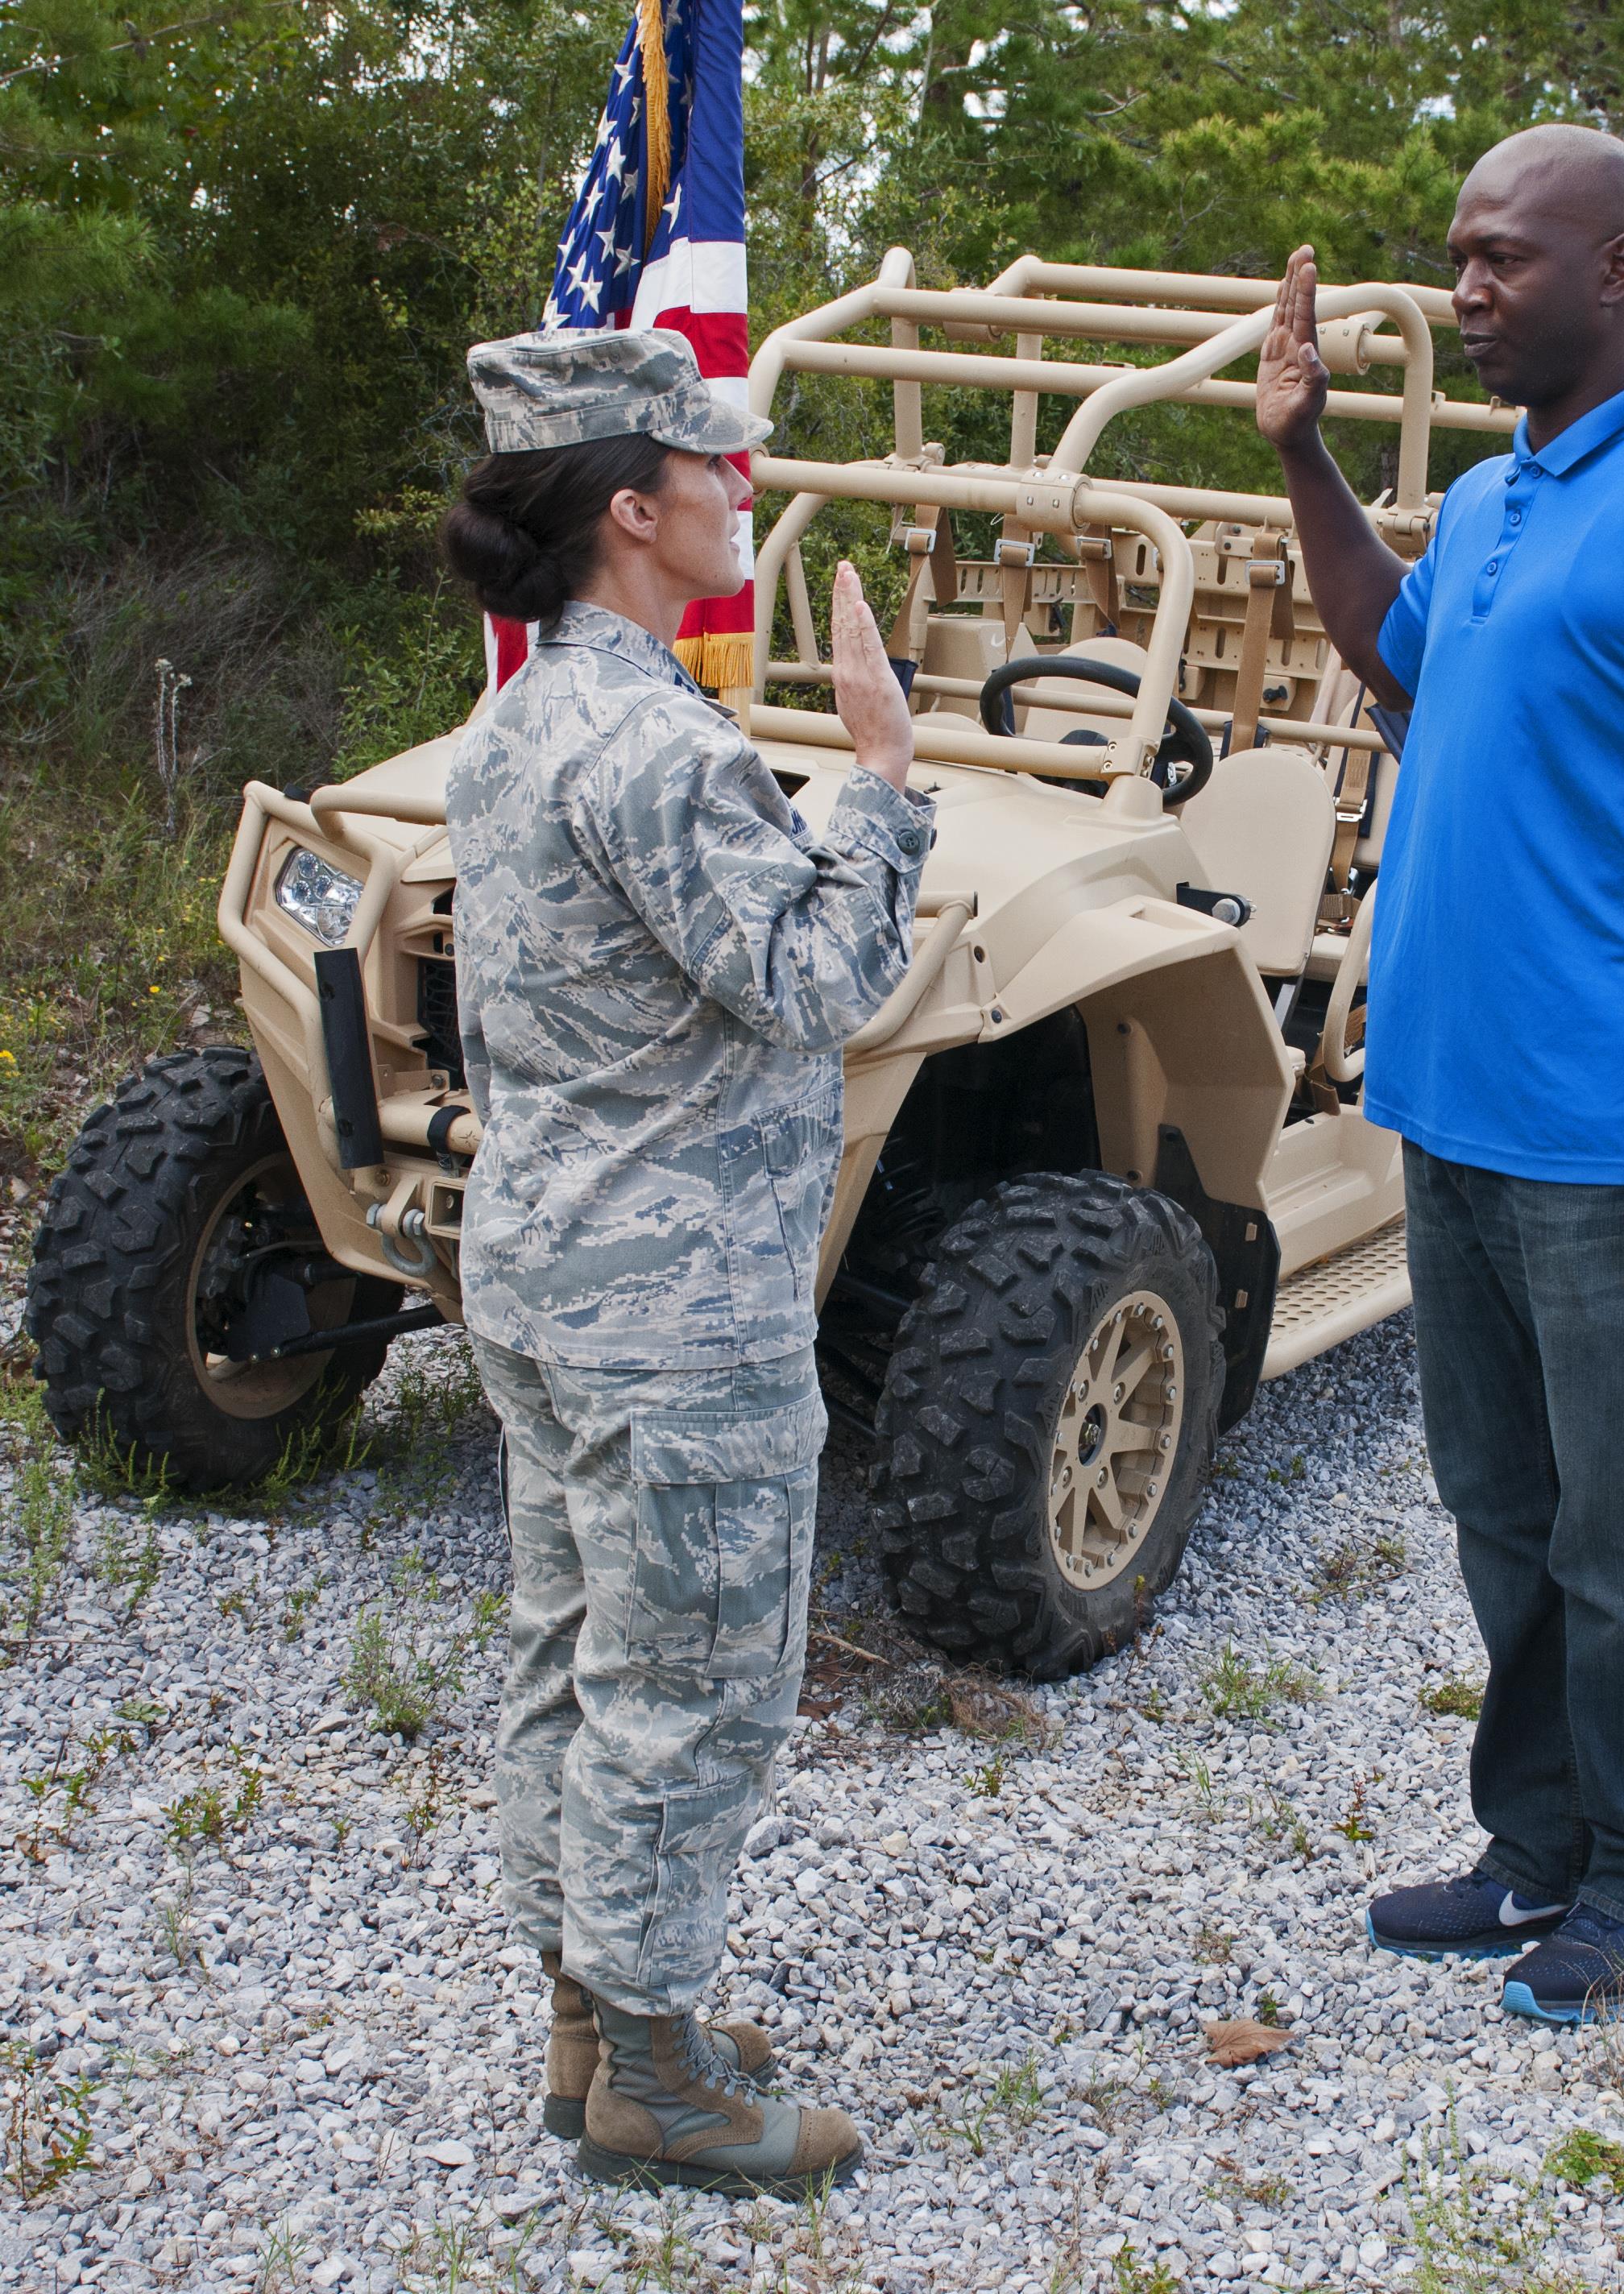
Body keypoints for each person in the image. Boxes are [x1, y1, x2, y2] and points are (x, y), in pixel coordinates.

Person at [1255, 125, 1624, 2023]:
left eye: (1505, 258)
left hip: (1617, 1143)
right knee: (1504, 1506)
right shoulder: (1507, 501)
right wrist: (1301, 454)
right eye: (1458, 255)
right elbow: (1398, 662)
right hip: (1461, 1115)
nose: (1468, 289)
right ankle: (1544, 1845)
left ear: (1619, 269)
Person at [441, 325, 931, 2188]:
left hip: (553, 1277)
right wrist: (878, 777)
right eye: (716, 470)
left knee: (577, 1648)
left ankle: (594, 2022)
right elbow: (815, 982)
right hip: (678, 1307)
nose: (745, 494)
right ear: (637, 512)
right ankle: (654, 2074)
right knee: (696, 1675)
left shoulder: (525, 718)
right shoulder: (654, 737)